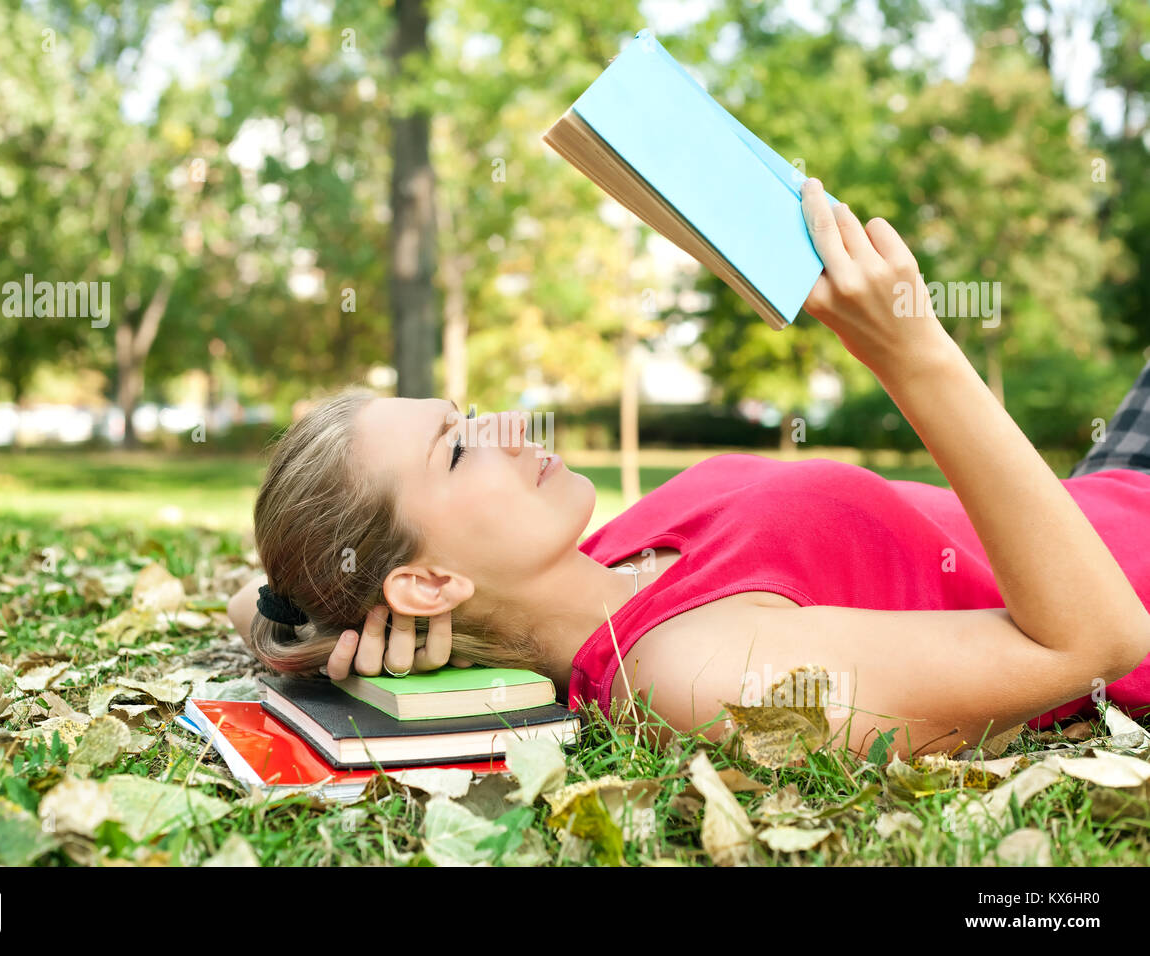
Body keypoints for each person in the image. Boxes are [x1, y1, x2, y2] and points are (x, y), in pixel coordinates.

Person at [228, 179, 1150, 760]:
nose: (508, 427)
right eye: (460, 449)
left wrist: (345, 634)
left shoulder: (600, 564)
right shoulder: (693, 673)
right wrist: (912, 355)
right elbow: (1098, 644)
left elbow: (272, 600)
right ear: (429, 578)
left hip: (1110, 486)